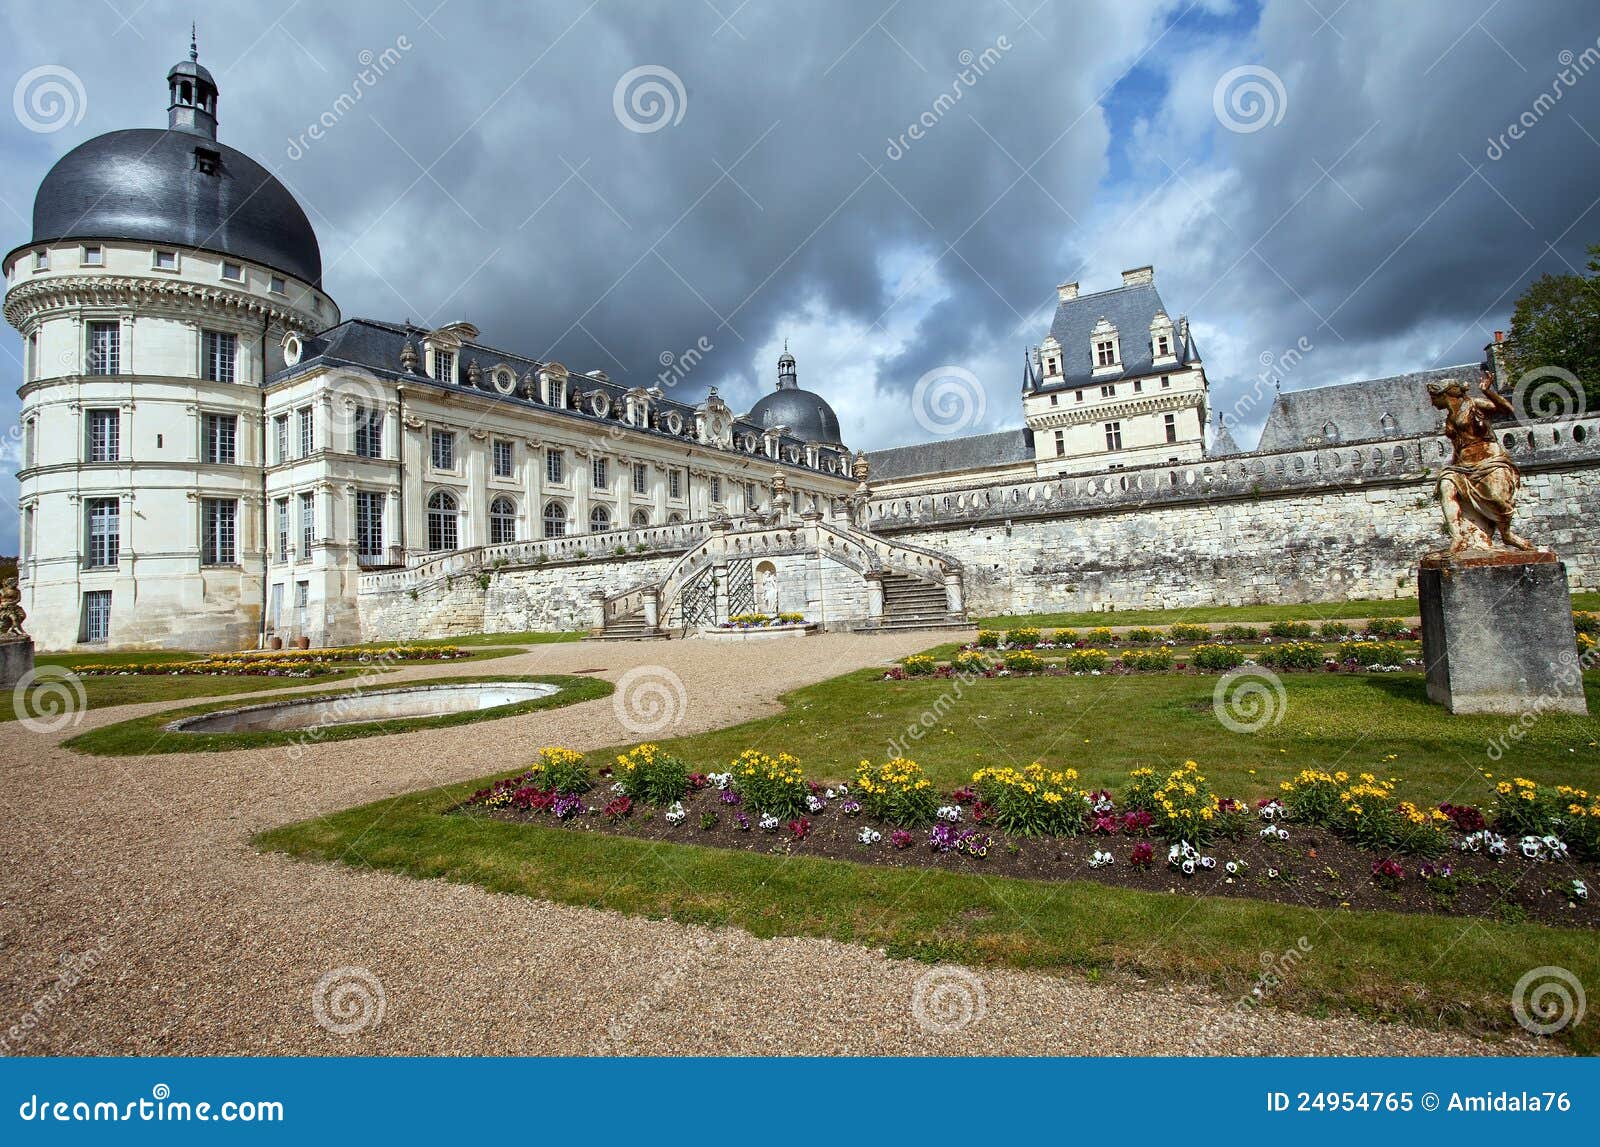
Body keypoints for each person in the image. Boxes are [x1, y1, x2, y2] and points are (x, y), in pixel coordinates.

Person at [1427, 371, 1535, 553]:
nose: (1432, 402)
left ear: (1444, 394)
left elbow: (1507, 409)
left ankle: (1506, 534)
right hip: (1462, 464)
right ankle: (1457, 537)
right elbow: (1457, 445)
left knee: (1495, 498)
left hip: (1489, 458)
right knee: (1446, 486)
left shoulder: (1474, 404)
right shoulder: (1449, 418)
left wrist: (1487, 391)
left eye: (1434, 398)